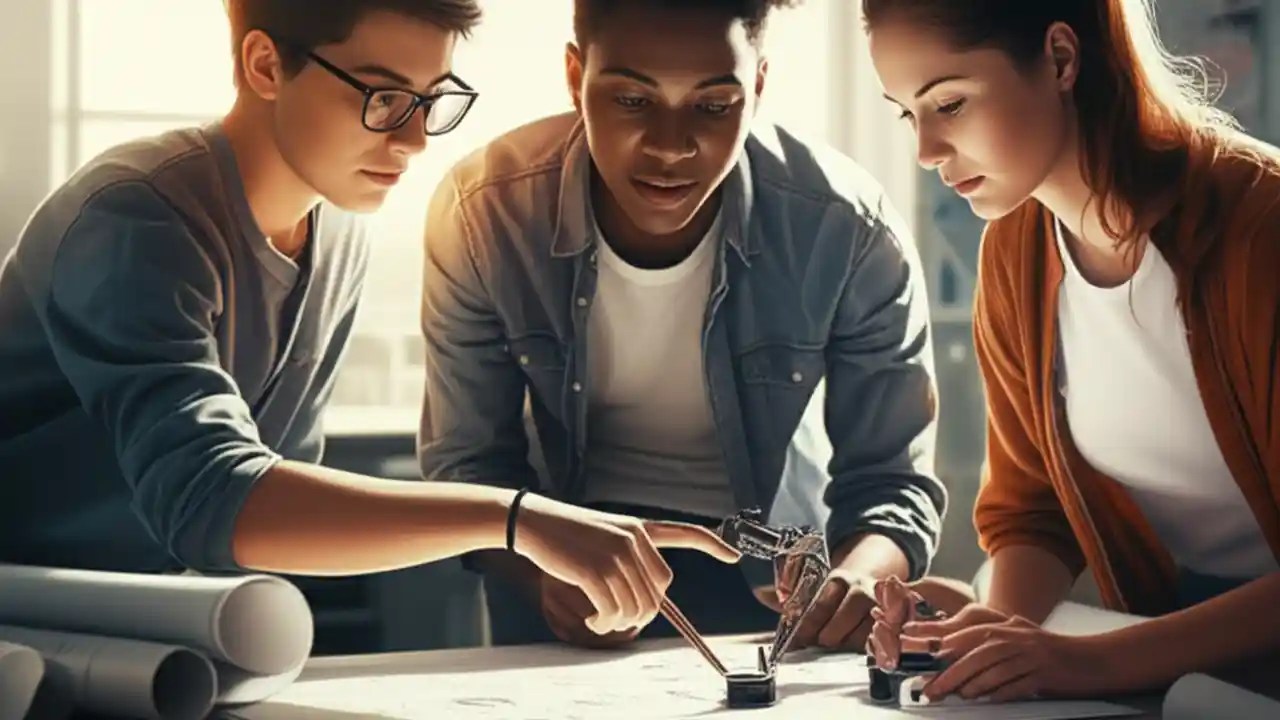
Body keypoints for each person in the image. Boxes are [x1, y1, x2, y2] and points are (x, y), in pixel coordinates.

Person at [0, 0, 742, 640]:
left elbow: (271, 491)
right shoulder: (137, 219)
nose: (413, 140)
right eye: (382, 97)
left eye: (430, 100)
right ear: (265, 65)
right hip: (32, 629)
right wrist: (518, 518)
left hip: (164, 629)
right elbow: (212, 500)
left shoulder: (339, 227)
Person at [419, 0, 945, 649]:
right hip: (558, 562)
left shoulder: (849, 229)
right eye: (632, 101)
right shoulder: (484, 214)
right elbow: (468, 466)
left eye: (714, 105)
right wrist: (536, 575)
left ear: (757, 87)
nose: (670, 145)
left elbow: (892, 484)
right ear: (575, 77)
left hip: (772, 586)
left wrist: (859, 577)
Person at [863, 0, 1280, 702]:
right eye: (909, 114)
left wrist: (1092, 663)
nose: (927, 151)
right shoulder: (1015, 252)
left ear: (1060, 58)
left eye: (951, 104)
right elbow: (1034, 514)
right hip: (1186, 672)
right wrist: (986, 635)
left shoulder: (1261, 232)